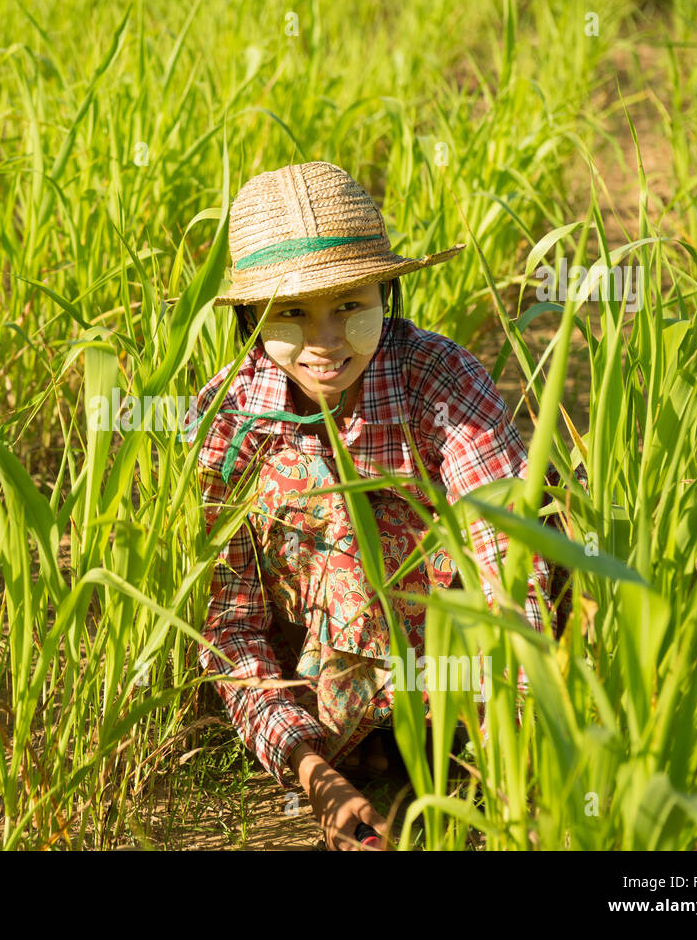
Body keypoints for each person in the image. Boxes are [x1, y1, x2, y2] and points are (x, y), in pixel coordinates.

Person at [181, 161, 584, 851]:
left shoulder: (440, 378)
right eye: (291, 312)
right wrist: (315, 778)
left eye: (349, 305)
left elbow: (507, 571)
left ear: (385, 293)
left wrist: (514, 753)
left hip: (460, 681)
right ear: (250, 317)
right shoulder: (223, 420)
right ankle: (363, 751)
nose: (325, 340)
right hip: (325, 704)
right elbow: (234, 630)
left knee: (550, 506)